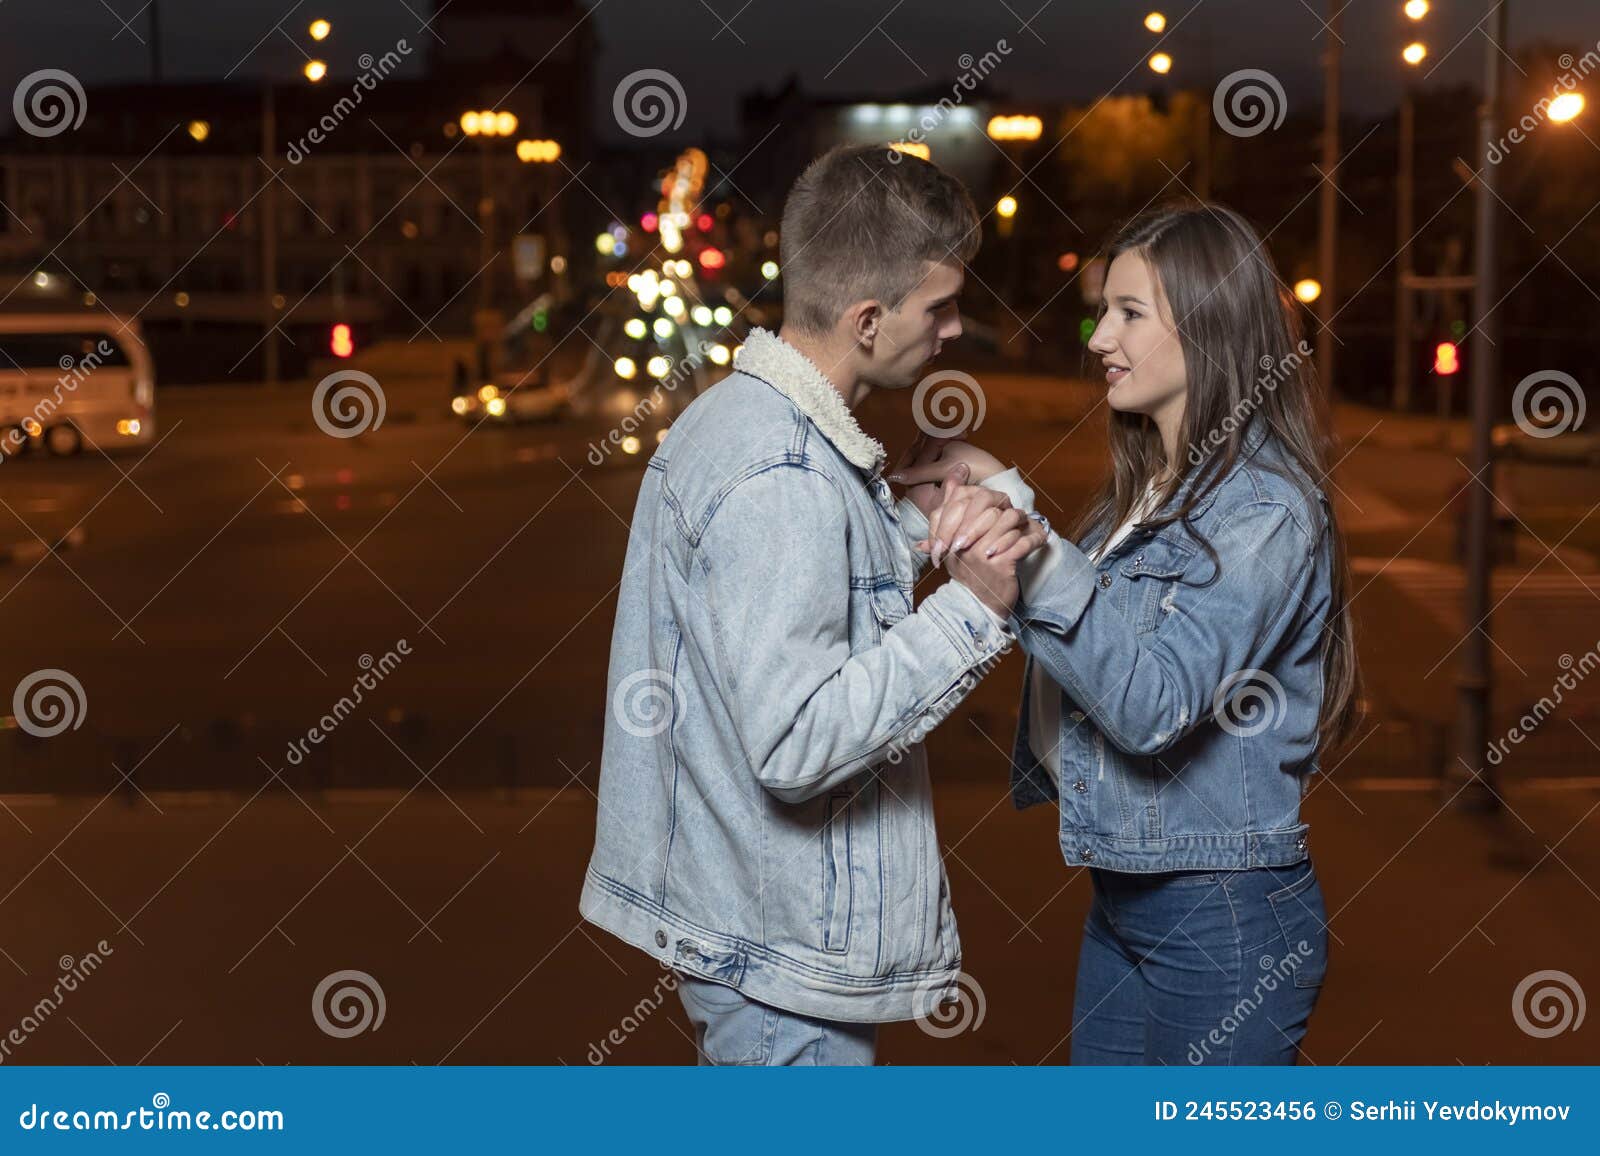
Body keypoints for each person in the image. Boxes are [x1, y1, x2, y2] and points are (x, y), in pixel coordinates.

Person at [579, 144, 1042, 1065]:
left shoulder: (741, 421)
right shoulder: (782, 473)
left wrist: (906, 525)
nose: (954, 330)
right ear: (869, 320)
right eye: (939, 306)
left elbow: (794, 606)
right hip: (782, 965)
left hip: (758, 935)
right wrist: (972, 611)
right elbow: (795, 741)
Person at [893, 202, 1361, 1065]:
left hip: (1224, 911)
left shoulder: (1264, 506)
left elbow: (1150, 703)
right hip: (1128, 899)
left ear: (1209, 328)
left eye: (1129, 314)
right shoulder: (1150, 490)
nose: (1100, 335)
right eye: (1105, 310)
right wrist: (1006, 498)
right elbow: (1099, 654)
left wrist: (1026, 547)